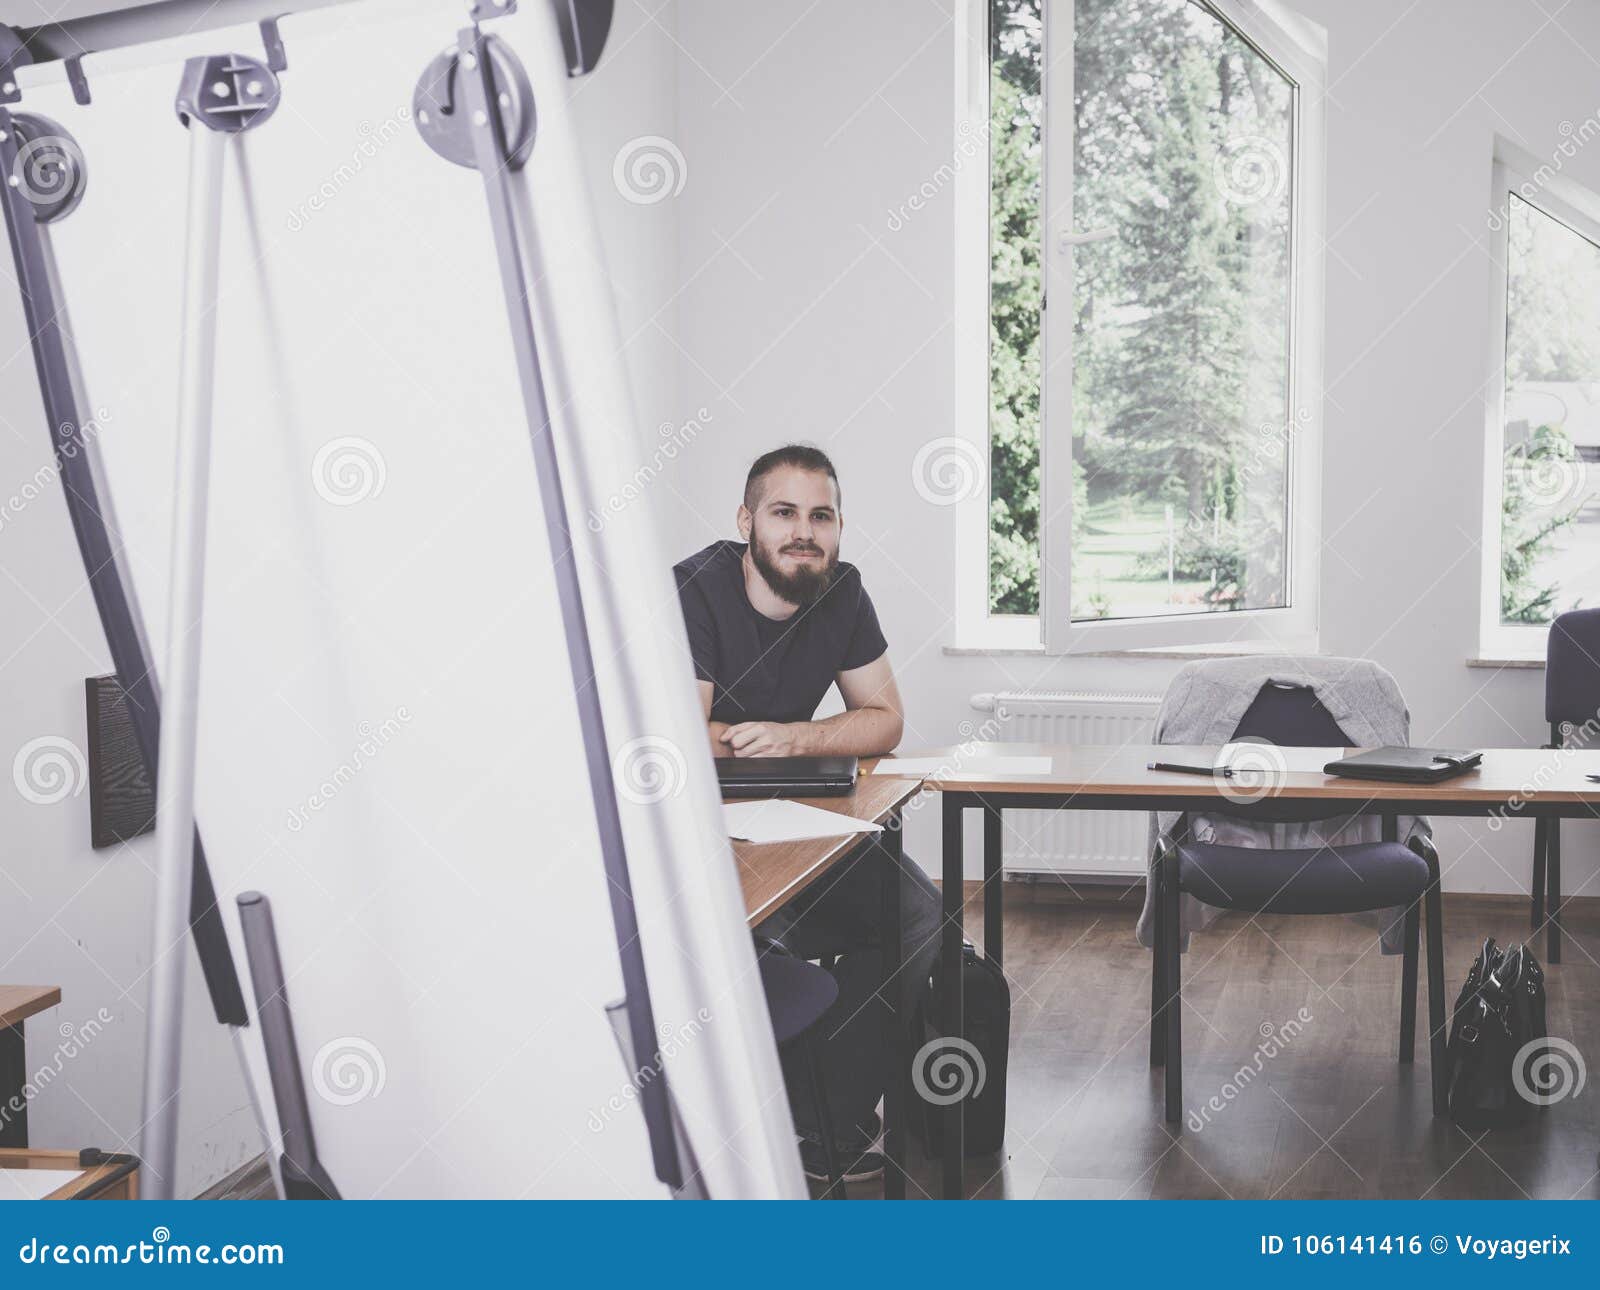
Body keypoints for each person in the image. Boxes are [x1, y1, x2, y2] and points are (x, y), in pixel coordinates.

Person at [673, 444, 941, 1183]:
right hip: (705, 833)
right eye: (784, 512)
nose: (804, 531)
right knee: (758, 936)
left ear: (839, 527)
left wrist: (792, 736)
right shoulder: (692, 591)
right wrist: (731, 739)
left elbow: (884, 719)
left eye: (820, 516)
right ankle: (781, 1106)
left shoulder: (843, 590)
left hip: (797, 819)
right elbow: (680, 740)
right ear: (746, 521)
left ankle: (825, 1117)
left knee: (916, 913)